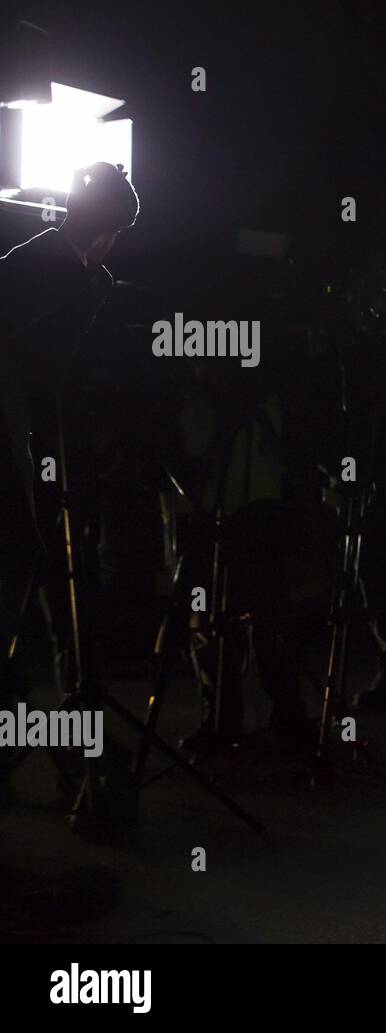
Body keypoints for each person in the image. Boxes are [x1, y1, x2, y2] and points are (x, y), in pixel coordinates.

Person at [0, 162, 139, 799]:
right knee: (35, 609)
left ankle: (75, 755)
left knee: (63, 609)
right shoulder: (48, 275)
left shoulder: (77, 278)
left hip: (51, 469)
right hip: (20, 472)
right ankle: (63, 752)